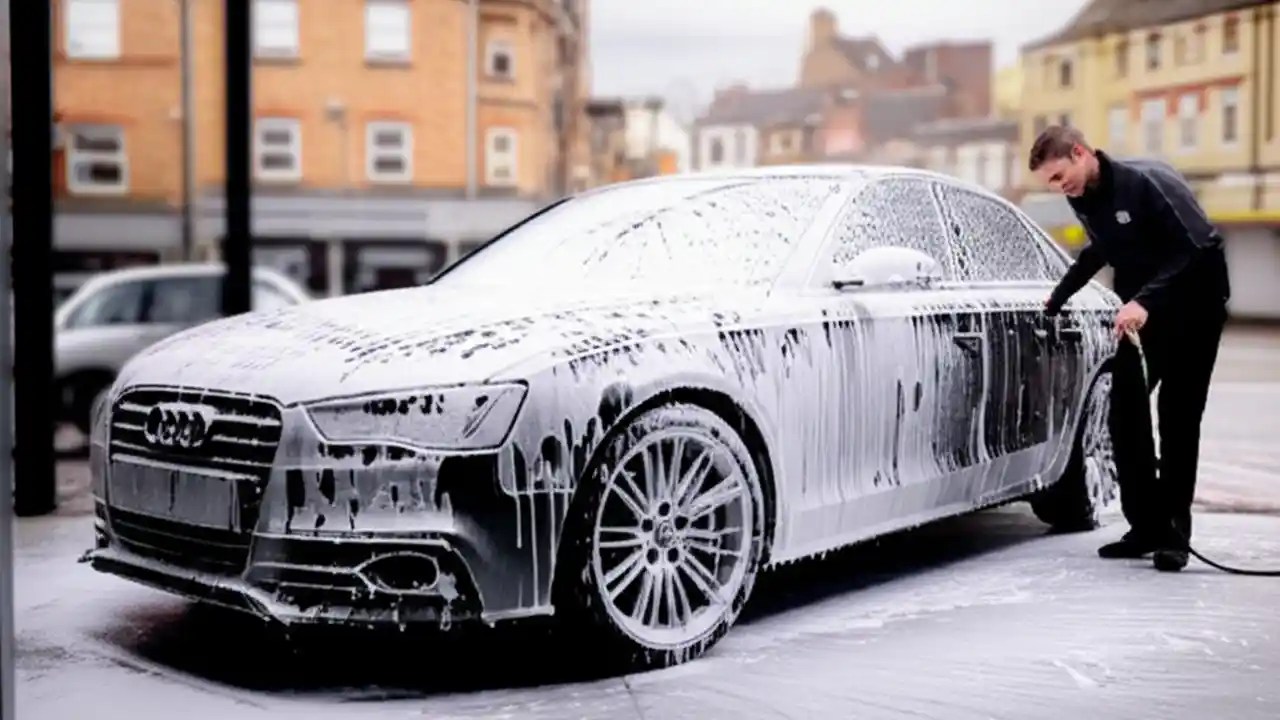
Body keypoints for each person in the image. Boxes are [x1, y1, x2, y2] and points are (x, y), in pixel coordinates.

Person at [1027, 125, 1231, 573]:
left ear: (1080, 153)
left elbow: (1196, 250)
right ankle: (1146, 527)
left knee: (1178, 420)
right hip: (1144, 316)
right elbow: (1100, 249)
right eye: (1052, 183)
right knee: (1124, 416)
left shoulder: (1148, 184)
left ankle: (1175, 536)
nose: (1059, 188)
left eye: (1060, 176)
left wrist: (1143, 301)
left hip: (1195, 310)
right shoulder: (1083, 198)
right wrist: (1057, 298)